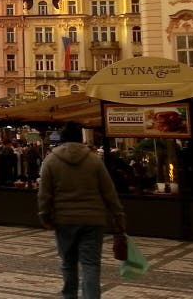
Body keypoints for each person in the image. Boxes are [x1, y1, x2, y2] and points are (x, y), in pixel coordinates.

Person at [38, 121, 126, 299]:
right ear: (81, 139)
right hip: (93, 220)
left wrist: (45, 217)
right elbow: (109, 193)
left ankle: (69, 296)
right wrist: (119, 220)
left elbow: (44, 194)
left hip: (64, 220)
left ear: (62, 139)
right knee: (91, 264)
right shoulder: (94, 160)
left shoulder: (51, 161)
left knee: (68, 263)